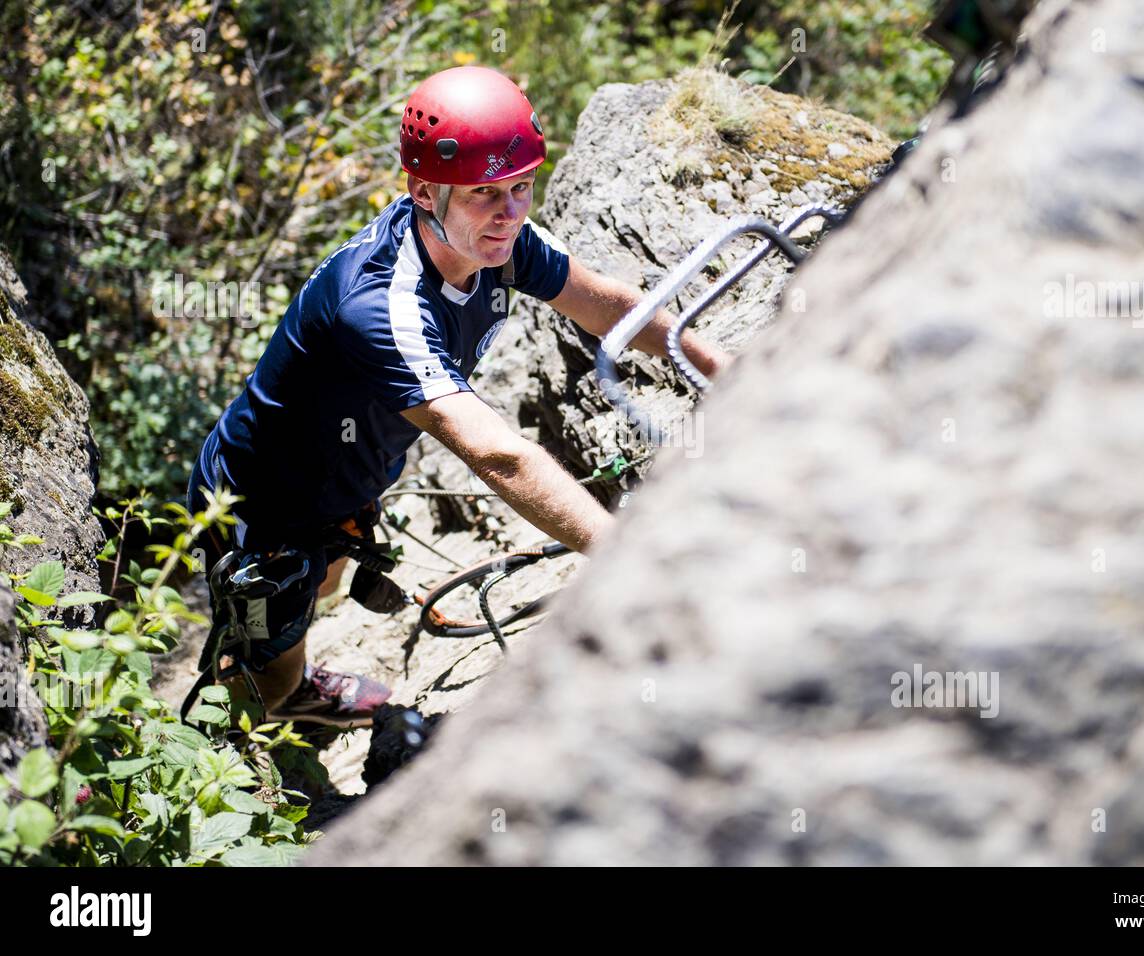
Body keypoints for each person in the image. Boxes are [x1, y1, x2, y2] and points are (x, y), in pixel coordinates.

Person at [186, 65, 733, 728]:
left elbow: (604, 305)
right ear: (423, 191)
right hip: (259, 503)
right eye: (483, 194)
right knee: (267, 659)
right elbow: (500, 457)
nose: (509, 213)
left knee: (323, 582)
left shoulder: (498, 241)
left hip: (343, 477)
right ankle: (236, 734)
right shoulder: (380, 304)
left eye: (521, 188)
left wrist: (716, 362)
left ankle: (289, 677)